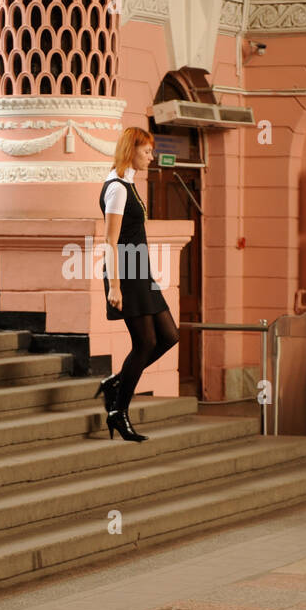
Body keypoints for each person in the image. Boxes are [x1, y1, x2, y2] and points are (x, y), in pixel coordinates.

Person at [95, 126, 179, 441]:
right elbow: (110, 241)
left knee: (169, 336)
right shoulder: (117, 187)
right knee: (144, 343)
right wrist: (114, 286)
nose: (151, 156)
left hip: (140, 272)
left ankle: (115, 382)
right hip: (127, 275)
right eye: (147, 151)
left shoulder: (128, 183)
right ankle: (118, 411)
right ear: (132, 151)